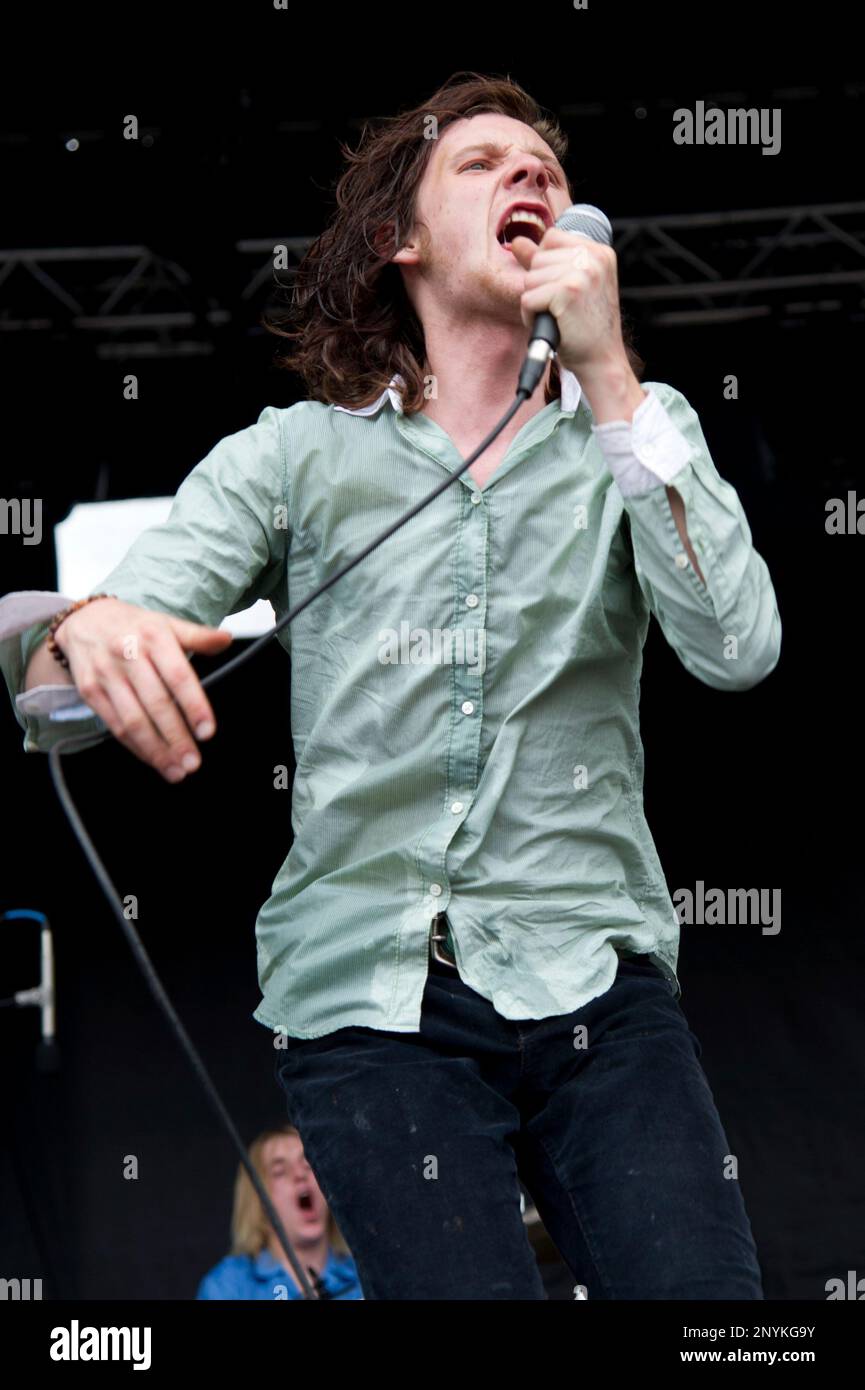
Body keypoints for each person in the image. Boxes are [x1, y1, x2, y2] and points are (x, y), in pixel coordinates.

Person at [1, 72, 781, 1299]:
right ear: (397, 242)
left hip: (593, 977)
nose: (530, 173)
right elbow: (61, 670)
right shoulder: (297, 454)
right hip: (369, 998)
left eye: (547, 166)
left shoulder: (636, 431)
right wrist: (81, 631)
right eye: (480, 162)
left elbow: (737, 646)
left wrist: (611, 374)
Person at [196, 1124, 362, 1300]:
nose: (300, 1174)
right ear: (257, 1199)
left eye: (308, 1164)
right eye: (280, 1171)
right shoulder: (227, 1286)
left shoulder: (365, 1276)